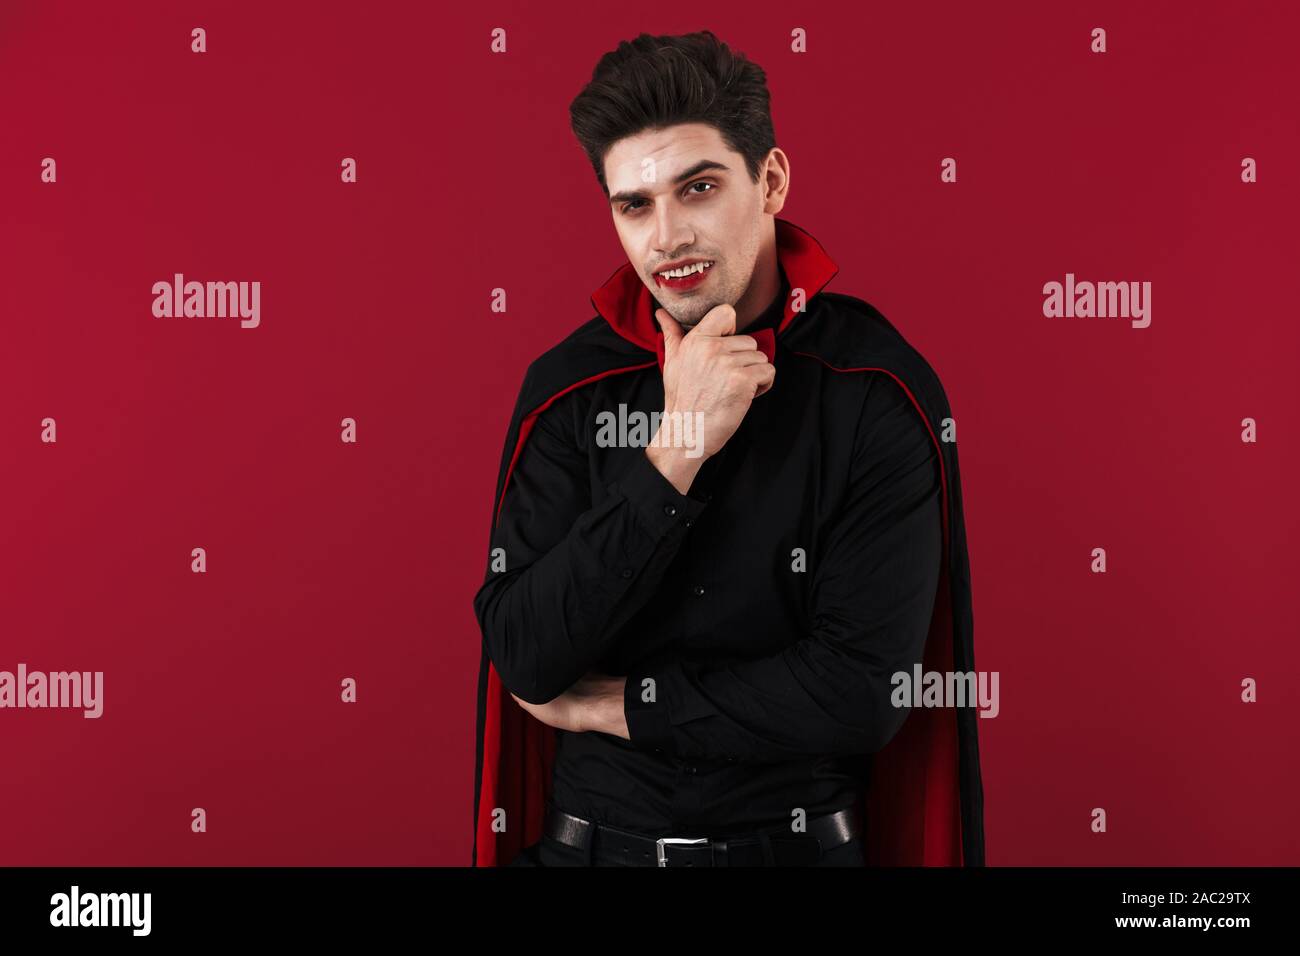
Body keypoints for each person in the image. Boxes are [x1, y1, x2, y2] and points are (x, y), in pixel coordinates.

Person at [471, 30, 984, 867]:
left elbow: (863, 693)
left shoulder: (875, 391)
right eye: (633, 205)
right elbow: (525, 655)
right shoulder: (569, 390)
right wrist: (676, 450)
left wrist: (622, 706)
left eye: (698, 188)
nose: (666, 237)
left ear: (770, 180)